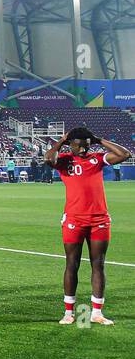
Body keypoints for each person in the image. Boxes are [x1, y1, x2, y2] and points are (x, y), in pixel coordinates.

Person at [44, 128, 130, 325]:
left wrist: (99, 139)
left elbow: (125, 154)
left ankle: (97, 313)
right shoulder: (65, 160)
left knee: (98, 264)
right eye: (79, 145)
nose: (83, 149)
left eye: (87, 145)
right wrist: (61, 141)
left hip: (99, 219)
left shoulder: (97, 159)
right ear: (70, 144)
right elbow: (48, 159)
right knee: (72, 264)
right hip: (74, 219)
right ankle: (68, 312)